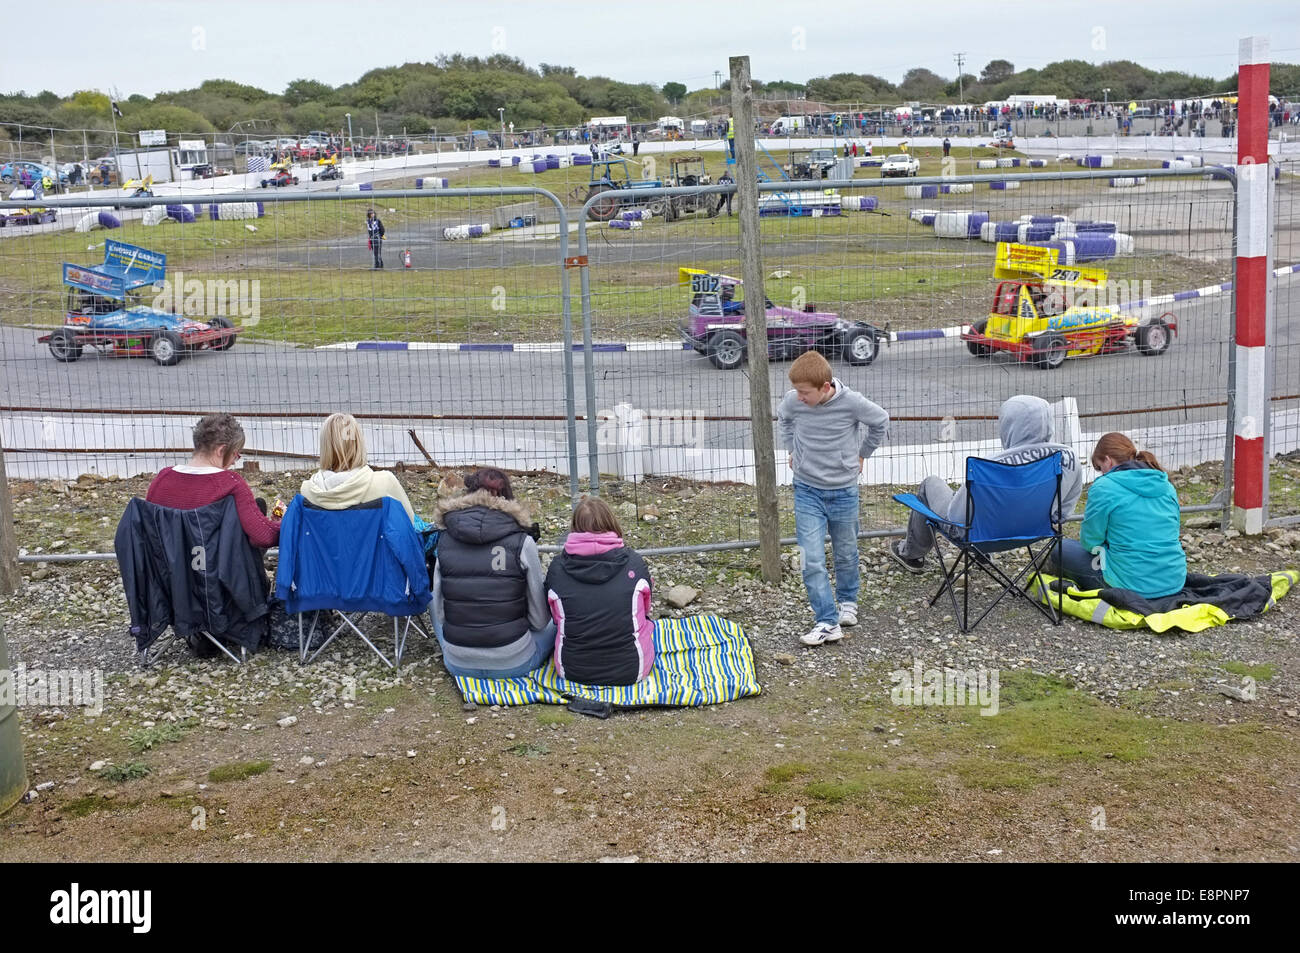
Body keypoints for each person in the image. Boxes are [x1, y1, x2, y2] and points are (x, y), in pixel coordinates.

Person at [888, 395, 1082, 573]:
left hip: (976, 537)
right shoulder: (1067, 457)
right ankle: (981, 554)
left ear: (1009, 424)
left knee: (932, 484)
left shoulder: (989, 466)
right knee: (973, 498)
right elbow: (1064, 512)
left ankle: (911, 554)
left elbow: (957, 517)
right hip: (1035, 532)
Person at [778, 350, 890, 646]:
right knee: (811, 557)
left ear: (825, 387)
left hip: (843, 491)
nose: (799, 397)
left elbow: (880, 421)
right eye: (796, 391)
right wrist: (792, 449)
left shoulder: (851, 402)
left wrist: (862, 454)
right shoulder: (794, 401)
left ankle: (848, 601)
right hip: (807, 491)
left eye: (805, 392)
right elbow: (784, 419)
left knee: (845, 551)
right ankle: (826, 621)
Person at [432, 468, 555, 679]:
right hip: (513, 661)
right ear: (507, 497)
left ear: (468, 492)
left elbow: (442, 615)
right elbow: (539, 621)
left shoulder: (444, 539)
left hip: (458, 662)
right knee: (554, 619)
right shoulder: (523, 542)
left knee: (432, 601)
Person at [1048, 433, 1186, 598]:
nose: (1101, 473)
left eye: (1100, 468)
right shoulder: (1166, 484)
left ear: (1108, 460)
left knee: (1061, 549)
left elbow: (1090, 543)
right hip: (1174, 581)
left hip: (1129, 585)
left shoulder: (1104, 487)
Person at [544, 497, 654, 686]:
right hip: (632, 670)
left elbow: (554, 617)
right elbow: (645, 610)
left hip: (572, 670)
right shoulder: (634, 563)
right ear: (612, 522)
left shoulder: (557, 569)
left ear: (574, 527)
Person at [145, 413, 280, 549]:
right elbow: (265, 537)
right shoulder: (231, 483)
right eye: (235, 454)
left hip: (164, 566)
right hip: (211, 566)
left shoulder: (163, 477)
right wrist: (286, 523)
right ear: (221, 450)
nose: (234, 462)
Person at [299, 412, 415, 520]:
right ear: (358, 443)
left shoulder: (307, 491)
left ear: (325, 446)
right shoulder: (385, 482)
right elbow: (410, 523)